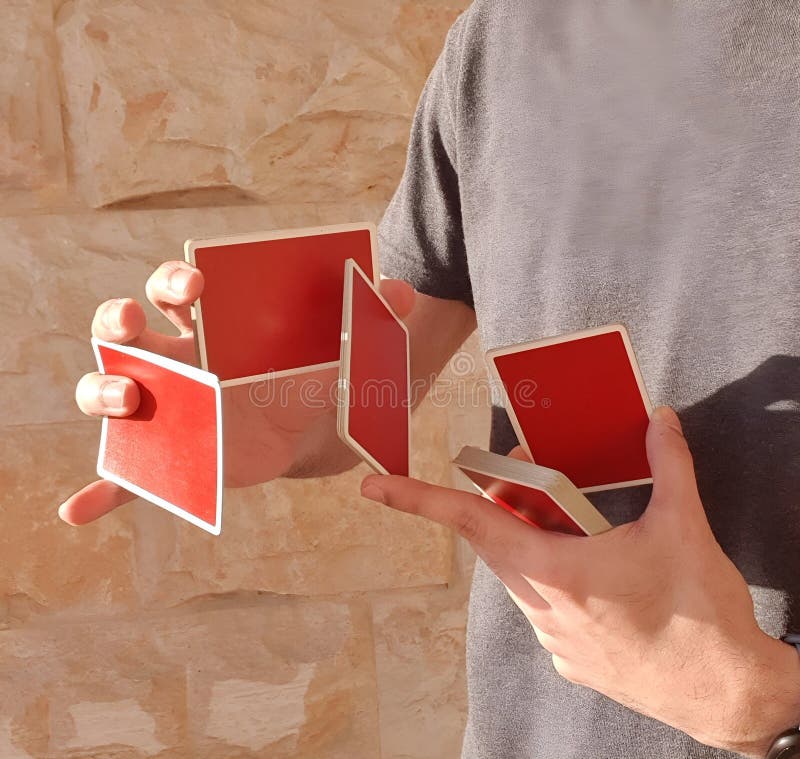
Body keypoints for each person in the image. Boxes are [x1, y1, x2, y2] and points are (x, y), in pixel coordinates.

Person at [64, 1, 799, 756]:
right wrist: (276, 409)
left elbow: (757, 702)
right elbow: (371, 379)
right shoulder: (506, 34)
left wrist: (765, 706)